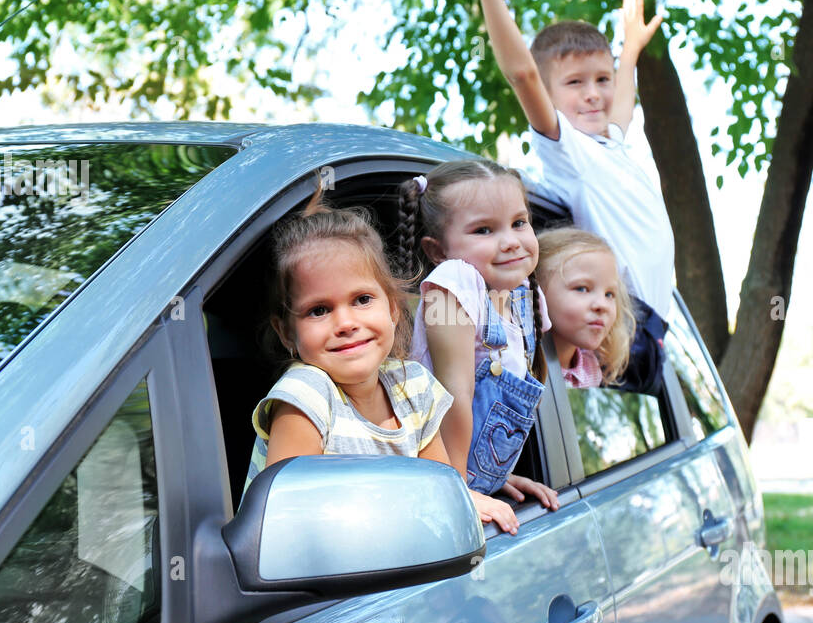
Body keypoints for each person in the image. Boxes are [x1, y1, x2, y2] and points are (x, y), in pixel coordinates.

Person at [447, 0, 675, 395]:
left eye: (601, 78)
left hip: (661, 332)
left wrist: (630, 53)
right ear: (550, 97)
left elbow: (621, 104)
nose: (592, 94)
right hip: (624, 326)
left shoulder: (614, 141)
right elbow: (523, 72)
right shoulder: (568, 152)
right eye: (574, 84)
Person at [245, 180, 519, 535]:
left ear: (392, 308)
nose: (345, 323)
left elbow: (441, 490)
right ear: (286, 333)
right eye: (318, 310)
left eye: (361, 300)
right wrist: (449, 498)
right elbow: (294, 521)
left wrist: (460, 496)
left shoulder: (415, 386)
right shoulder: (305, 397)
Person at [394, 159, 559, 521]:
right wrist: (459, 489)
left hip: (466, 479)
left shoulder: (525, 295)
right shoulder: (452, 284)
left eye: (519, 223)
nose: (511, 242)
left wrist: (494, 473)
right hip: (431, 487)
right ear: (438, 250)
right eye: (484, 230)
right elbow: (454, 394)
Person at [536, 227, 635, 388]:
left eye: (609, 294)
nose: (602, 305)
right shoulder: (518, 365)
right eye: (582, 289)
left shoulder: (591, 370)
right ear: (537, 291)